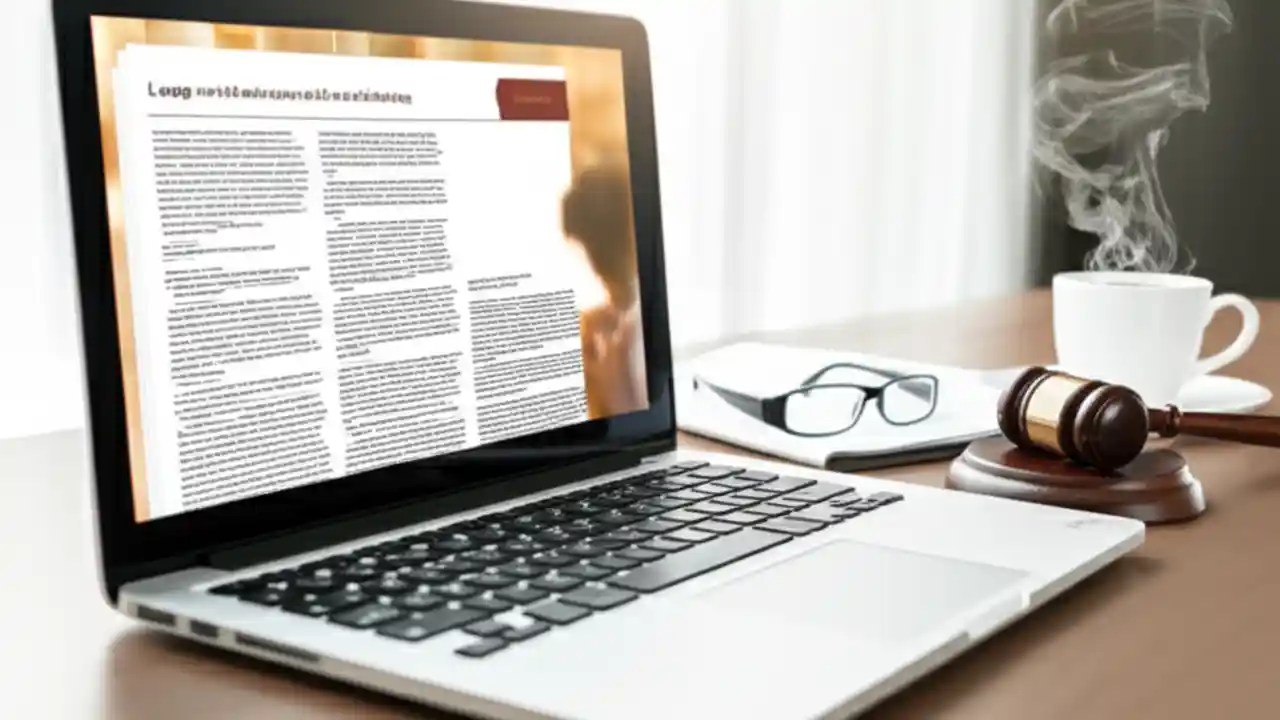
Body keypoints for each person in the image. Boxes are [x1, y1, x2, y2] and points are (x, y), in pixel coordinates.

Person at [561, 164, 648, 418]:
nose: (593, 264)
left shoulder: (634, 333)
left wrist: (614, 390)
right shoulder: (614, 320)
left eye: (590, 250)